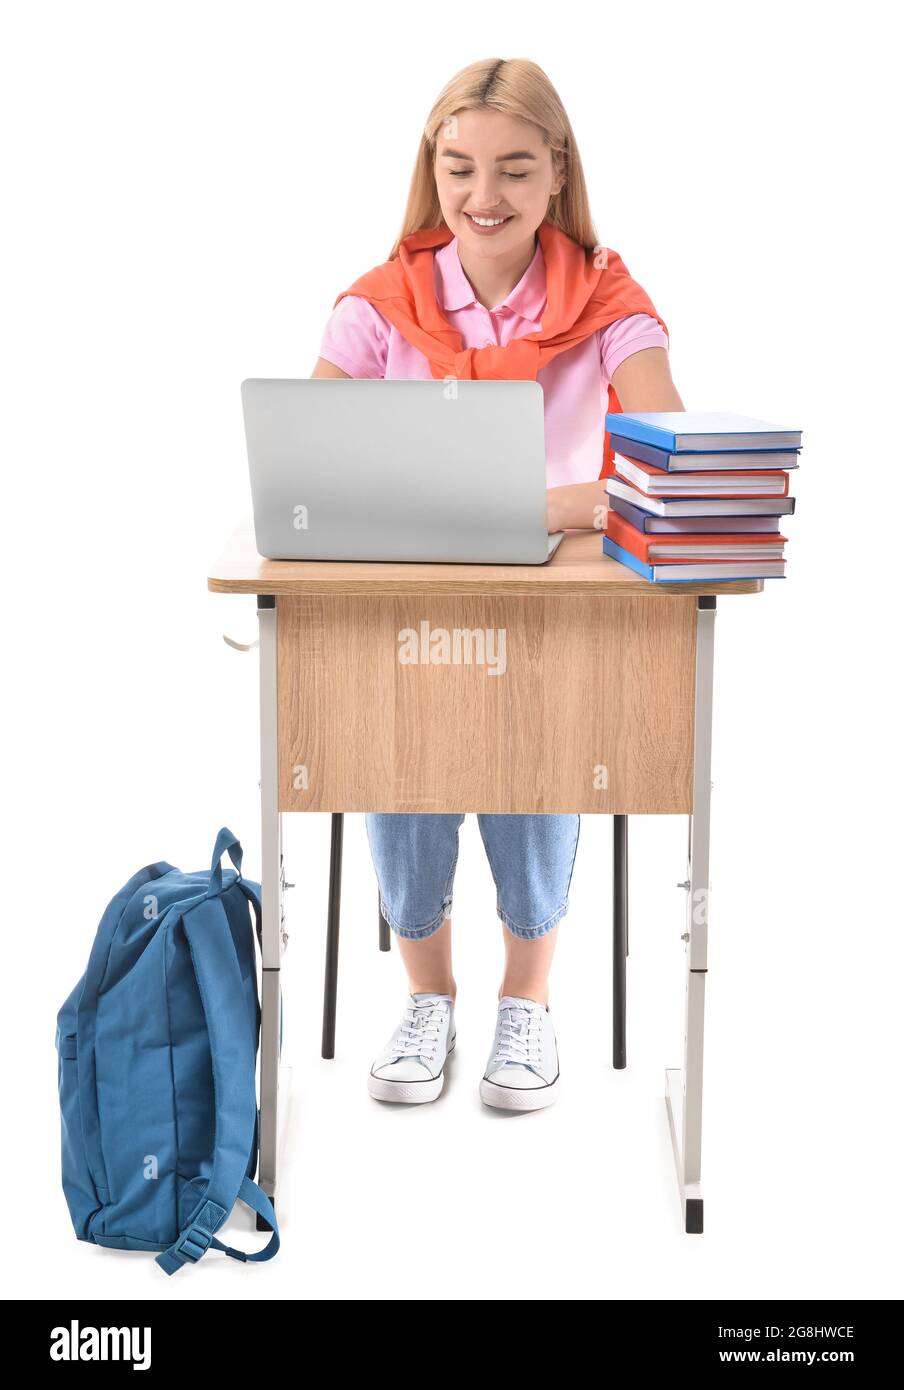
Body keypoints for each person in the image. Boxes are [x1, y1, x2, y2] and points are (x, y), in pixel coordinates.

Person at [311, 57, 684, 1112]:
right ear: (431, 171)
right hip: (408, 602)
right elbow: (312, 461)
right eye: (459, 167)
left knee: (538, 736)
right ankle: (427, 997)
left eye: (515, 170)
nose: (483, 198)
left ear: (557, 174)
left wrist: (567, 508)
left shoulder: (606, 299)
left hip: (548, 602)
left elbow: (669, 449)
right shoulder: (379, 301)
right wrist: (565, 493)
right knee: (402, 743)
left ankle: (529, 1000)